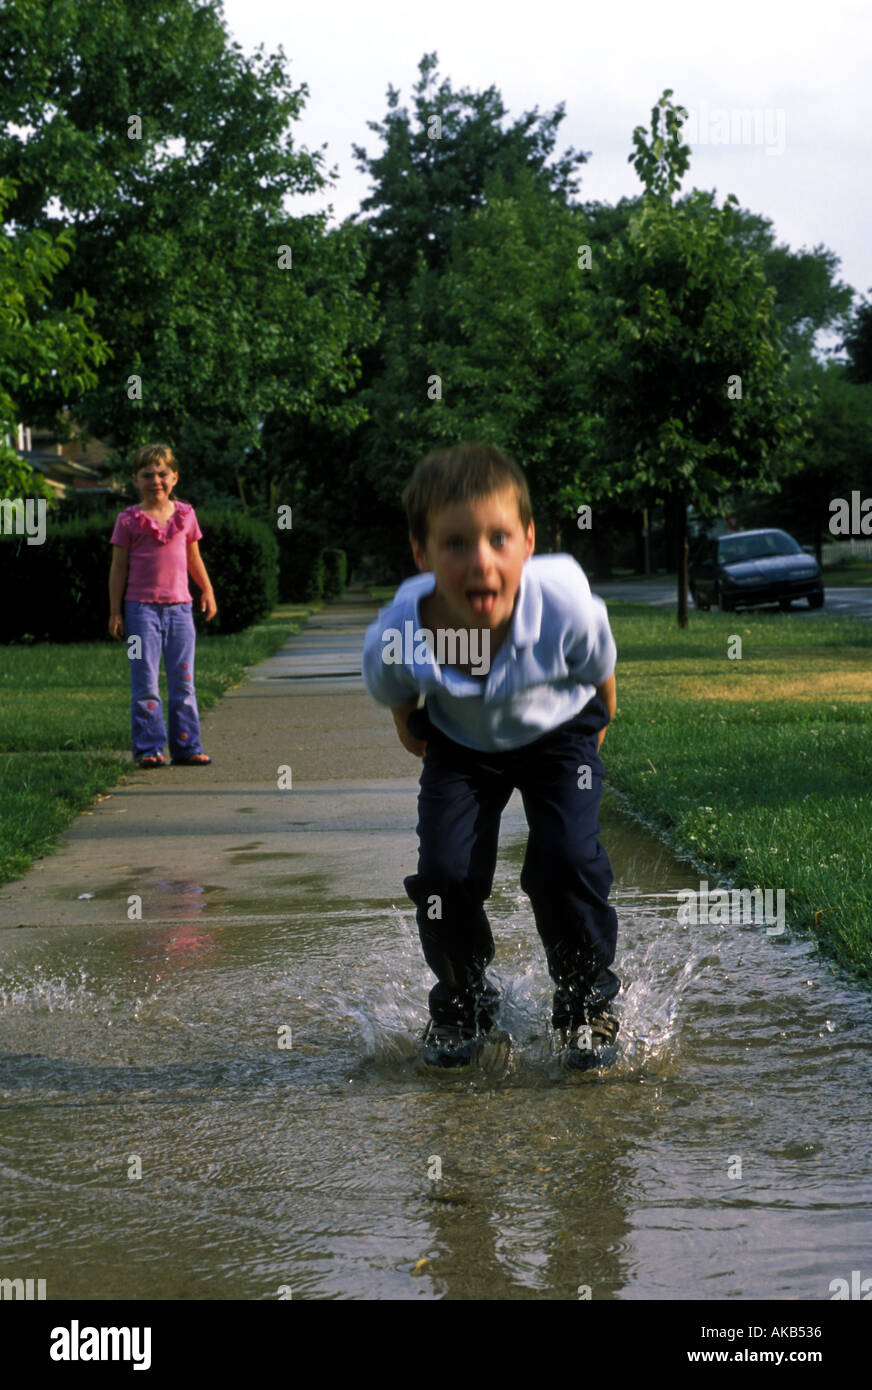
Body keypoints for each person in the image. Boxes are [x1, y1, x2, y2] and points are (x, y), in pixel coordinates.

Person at [362, 443, 620, 1070]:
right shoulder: (401, 632)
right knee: (445, 877)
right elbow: (400, 702)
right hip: (460, 745)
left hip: (558, 731)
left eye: (499, 538)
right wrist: (431, 747)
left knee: (566, 861)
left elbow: (603, 682)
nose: (480, 560)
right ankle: (463, 1001)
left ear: (528, 541)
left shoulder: (563, 606)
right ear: (422, 555)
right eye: (455, 544)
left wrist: (586, 751)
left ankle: (586, 1004)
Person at [109, 443, 217, 768]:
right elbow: (118, 568)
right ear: (135, 480)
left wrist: (207, 591)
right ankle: (149, 749)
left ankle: (187, 747)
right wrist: (115, 611)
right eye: (147, 475)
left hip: (181, 611)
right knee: (145, 683)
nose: (155, 480)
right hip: (140, 613)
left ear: (175, 478)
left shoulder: (185, 515)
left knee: (184, 681)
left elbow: (193, 558)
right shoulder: (129, 520)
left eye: (162, 474)